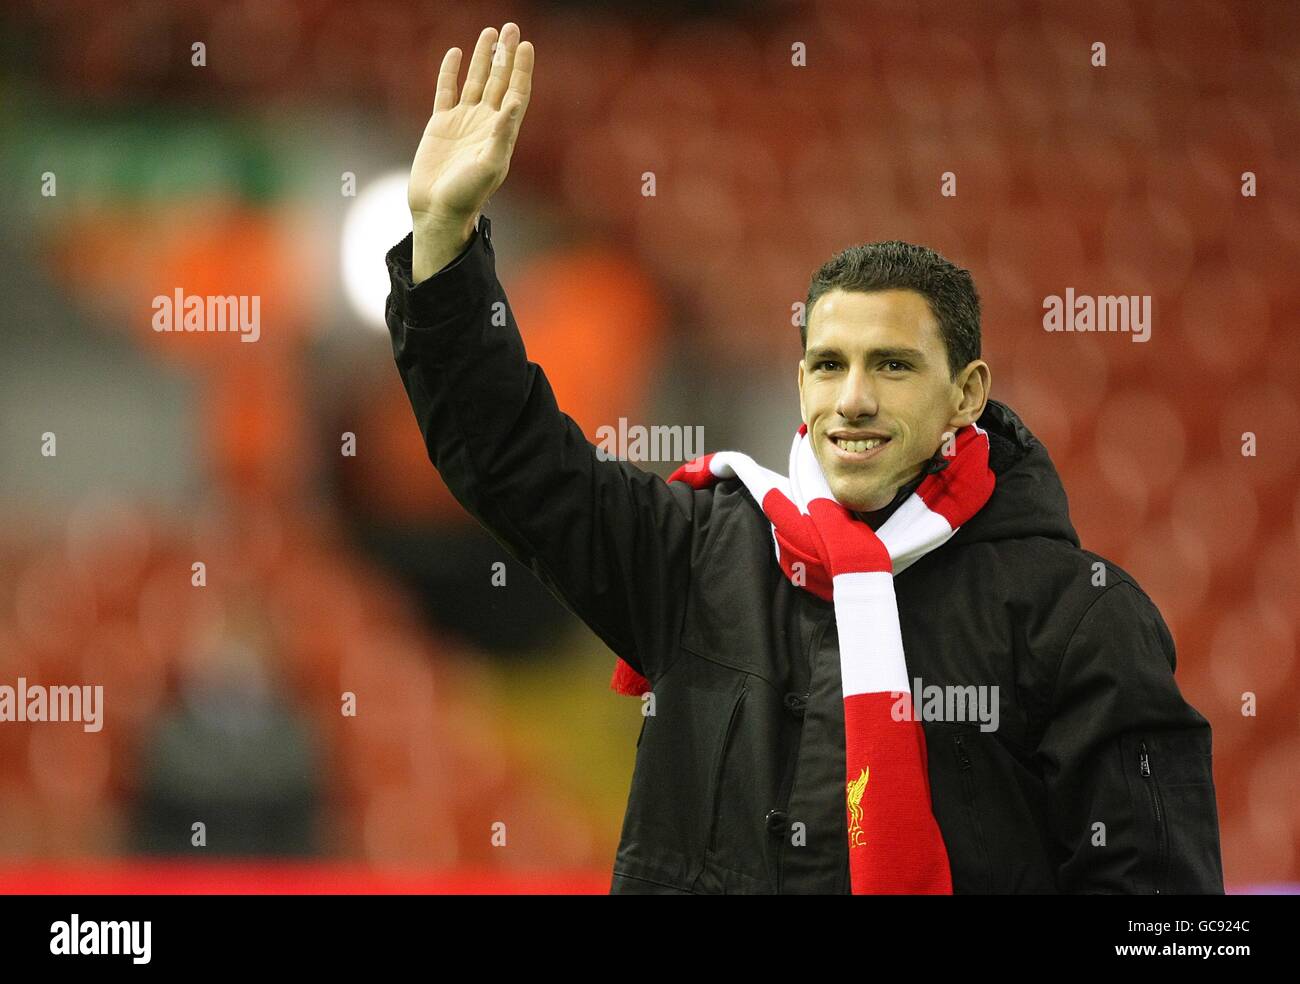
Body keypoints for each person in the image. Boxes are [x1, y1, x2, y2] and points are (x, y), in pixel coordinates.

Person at [383, 23, 1225, 893]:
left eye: (892, 365)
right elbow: (509, 459)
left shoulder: (1082, 620)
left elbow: (1166, 919)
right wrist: (444, 238)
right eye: (828, 364)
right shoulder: (699, 554)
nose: (851, 398)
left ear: (968, 393)